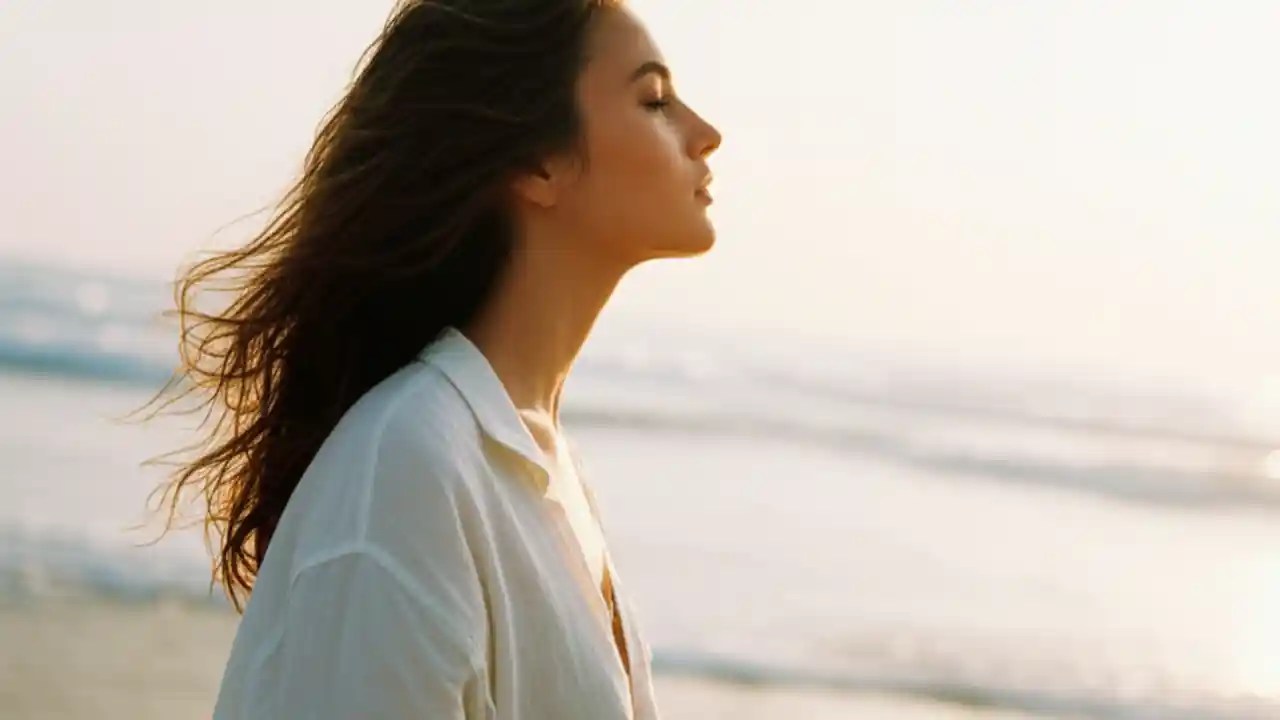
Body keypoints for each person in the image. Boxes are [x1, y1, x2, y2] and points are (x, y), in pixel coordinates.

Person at [144, 0, 721, 717]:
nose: (706, 133)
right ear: (536, 160)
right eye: (654, 100)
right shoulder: (406, 464)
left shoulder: (536, 464)